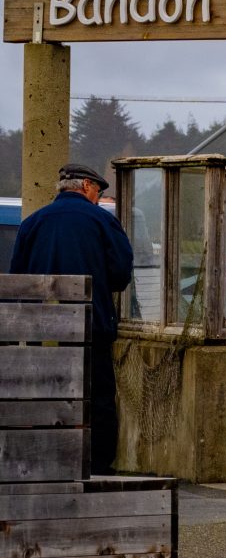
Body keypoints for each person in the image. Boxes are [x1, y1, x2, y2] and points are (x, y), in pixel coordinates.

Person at [8, 163, 134, 473]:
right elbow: (120, 275)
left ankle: (45, 459)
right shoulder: (103, 222)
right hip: (92, 326)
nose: (98, 198)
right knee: (98, 395)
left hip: (41, 329)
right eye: (98, 192)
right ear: (87, 186)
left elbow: (16, 278)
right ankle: (97, 464)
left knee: (44, 393)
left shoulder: (32, 222)